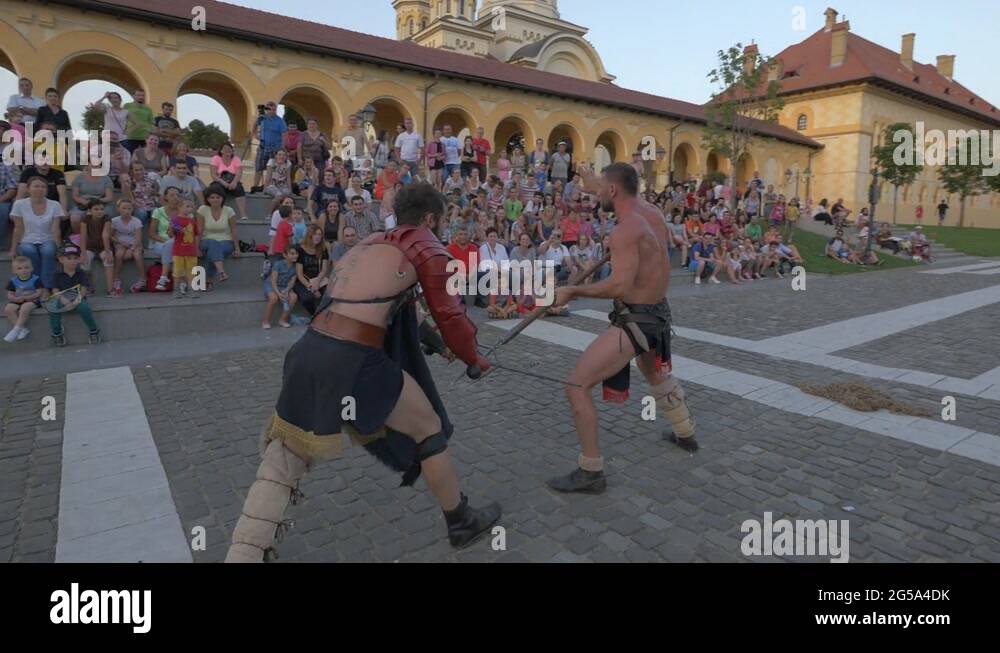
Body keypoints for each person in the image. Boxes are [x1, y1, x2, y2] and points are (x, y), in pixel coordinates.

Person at [226, 182, 498, 562]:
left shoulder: (369, 245)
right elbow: (451, 315)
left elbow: (391, 312)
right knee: (428, 428)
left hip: (308, 351)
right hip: (352, 360)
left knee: (283, 459)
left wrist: (439, 345)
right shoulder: (424, 245)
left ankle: (244, 554)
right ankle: (461, 521)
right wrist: (474, 358)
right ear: (431, 219)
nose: (441, 231)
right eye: (442, 222)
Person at [547, 163, 696, 493]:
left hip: (637, 320)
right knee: (655, 374)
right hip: (657, 311)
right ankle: (685, 431)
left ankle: (591, 471)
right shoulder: (651, 213)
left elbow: (616, 286)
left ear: (613, 191)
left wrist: (572, 290)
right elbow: (616, 199)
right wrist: (590, 187)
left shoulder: (626, 230)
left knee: (575, 386)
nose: (595, 193)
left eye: (600, 189)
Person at [10, 176, 62, 290]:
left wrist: (59, 249)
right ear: (28, 189)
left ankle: (46, 287)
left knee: (48, 251)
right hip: (27, 239)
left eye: (43, 186)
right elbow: (18, 228)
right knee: (28, 251)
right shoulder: (19, 204)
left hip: (48, 238)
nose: (40, 189)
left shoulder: (55, 205)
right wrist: (13, 249)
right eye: (36, 186)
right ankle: (36, 285)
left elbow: (55, 229)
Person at [48, 243, 101, 346]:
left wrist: (77, 300)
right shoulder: (56, 274)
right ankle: (57, 333)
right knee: (53, 308)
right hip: (62, 298)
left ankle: (93, 330)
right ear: (61, 259)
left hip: (78, 298)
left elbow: (84, 288)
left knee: (84, 308)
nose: (72, 261)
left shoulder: (81, 273)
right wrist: (64, 300)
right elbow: (55, 290)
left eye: (75, 258)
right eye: (69, 258)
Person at [197, 186, 240, 286]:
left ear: (222, 198)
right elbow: (199, 230)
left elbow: (234, 230)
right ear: (207, 199)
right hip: (206, 240)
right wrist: (196, 248)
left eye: (218, 197)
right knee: (213, 243)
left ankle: (209, 279)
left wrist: (237, 249)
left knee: (214, 249)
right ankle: (220, 272)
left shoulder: (229, 211)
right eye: (212, 197)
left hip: (226, 241)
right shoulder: (202, 209)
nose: (215, 200)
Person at [104, 198, 146, 295]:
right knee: (119, 254)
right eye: (124, 208)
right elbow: (110, 236)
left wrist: (132, 249)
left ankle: (142, 279)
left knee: (137, 255)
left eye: (129, 209)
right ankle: (116, 279)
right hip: (120, 243)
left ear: (132, 209)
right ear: (118, 209)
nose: (127, 211)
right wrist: (120, 242)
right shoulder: (114, 221)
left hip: (134, 243)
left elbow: (138, 238)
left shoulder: (136, 221)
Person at [293, 224, 329, 315]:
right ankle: (315, 315)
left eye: (320, 234)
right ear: (309, 235)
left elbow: (324, 270)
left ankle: (323, 314)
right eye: (315, 234)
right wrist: (312, 287)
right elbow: (299, 274)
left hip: (319, 279)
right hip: (303, 281)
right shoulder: (300, 250)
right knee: (307, 299)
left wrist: (317, 282)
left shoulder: (323, 249)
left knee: (329, 295)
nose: (318, 237)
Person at [4, 256, 42, 342]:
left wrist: (26, 297)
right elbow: (10, 294)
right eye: (19, 268)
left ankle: (16, 329)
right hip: (18, 300)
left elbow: (39, 292)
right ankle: (22, 329)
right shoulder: (13, 281)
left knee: (25, 308)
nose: (23, 270)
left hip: (32, 300)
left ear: (31, 268)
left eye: (26, 267)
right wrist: (14, 299)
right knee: (8, 309)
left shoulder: (35, 279)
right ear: (14, 271)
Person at [262, 243, 299, 329]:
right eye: (292, 254)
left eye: (296, 253)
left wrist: (287, 290)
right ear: (285, 255)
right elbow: (273, 281)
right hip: (271, 285)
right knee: (274, 298)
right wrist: (279, 294)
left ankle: (282, 320)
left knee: (294, 297)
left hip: (284, 286)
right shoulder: (278, 264)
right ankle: (265, 321)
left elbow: (292, 282)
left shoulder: (295, 267)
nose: (295, 256)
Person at [169, 199, 201, 298]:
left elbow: (195, 235)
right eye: (187, 206)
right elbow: (170, 235)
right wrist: (172, 229)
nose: (190, 209)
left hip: (191, 251)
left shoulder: (192, 221)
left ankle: (192, 290)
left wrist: (197, 248)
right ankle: (176, 290)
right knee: (177, 272)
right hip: (178, 251)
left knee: (191, 272)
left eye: (191, 207)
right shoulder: (175, 220)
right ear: (179, 207)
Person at [252, 102, 287, 192]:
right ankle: (255, 187)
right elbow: (254, 126)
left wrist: (282, 148)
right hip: (263, 147)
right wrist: (255, 135)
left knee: (271, 169)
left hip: (274, 149)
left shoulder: (280, 121)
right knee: (259, 168)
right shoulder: (262, 119)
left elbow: (284, 135)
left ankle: (268, 188)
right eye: (269, 109)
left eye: (273, 109)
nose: (271, 111)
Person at [208, 142, 248, 219]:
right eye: (225, 149)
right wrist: (223, 183)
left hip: (233, 179)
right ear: (221, 151)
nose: (227, 150)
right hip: (220, 180)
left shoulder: (236, 159)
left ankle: (243, 214)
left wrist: (234, 182)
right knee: (215, 190)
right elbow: (213, 175)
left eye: (229, 149)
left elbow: (239, 173)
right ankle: (215, 213)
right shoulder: (216, 158)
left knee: (239, 189)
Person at [122, 89, 154, 153]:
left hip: (145, 138)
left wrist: (150, 134)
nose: (141, 97)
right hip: (131, 137)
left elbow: (151, 123)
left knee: (144, 159)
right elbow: (122, 119)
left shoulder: (148, 109)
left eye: (143, 95)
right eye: (139, 95)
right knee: (130, 158)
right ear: (133, 96)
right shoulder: (127, 106)